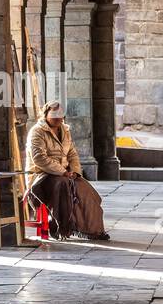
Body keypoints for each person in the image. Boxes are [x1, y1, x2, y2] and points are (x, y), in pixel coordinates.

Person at [24, 101, 109, 241]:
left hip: (65, 173)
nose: (58, 119)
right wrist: (62, 172)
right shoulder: (37, 132)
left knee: (86, 190)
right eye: (54, 116)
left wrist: (75, 171)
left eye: (61, 116)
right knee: (62, 185)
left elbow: (72, 154)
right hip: (41, 176)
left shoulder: (65, 130)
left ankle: (94, 230)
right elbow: (39, 158)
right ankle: (62, 227)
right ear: (45, 115)